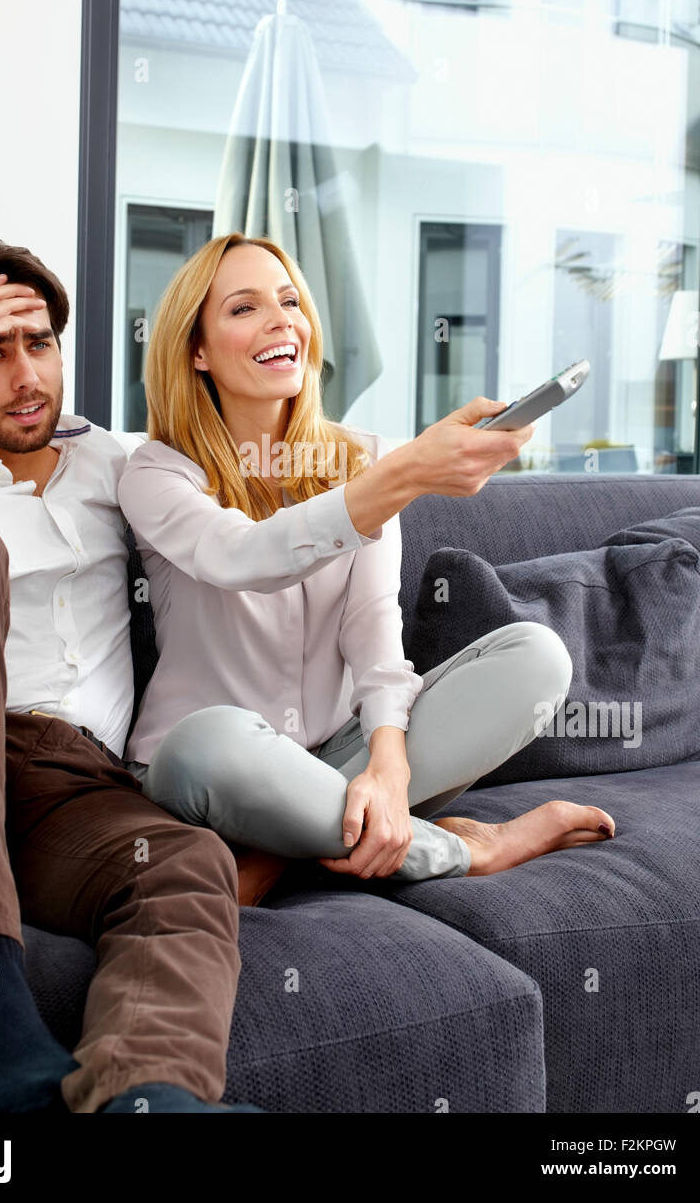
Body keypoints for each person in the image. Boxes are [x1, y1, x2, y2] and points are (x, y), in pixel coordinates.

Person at [0, 233, 261, 1115]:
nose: (26, 375)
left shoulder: (120, 466)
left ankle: (152, 1095)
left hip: (65, 788)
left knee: (185, 859)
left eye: (37, 344)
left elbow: (252, 538)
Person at [117, 232, 616, 905]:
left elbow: (373, 634)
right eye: (243, 308)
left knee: (537, 658)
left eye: (290, 300)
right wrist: (403, 474)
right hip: (210, 769)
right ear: (197, 350)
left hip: (332, 760)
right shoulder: (157, 472)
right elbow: (245, 558)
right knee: (206, 741)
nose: (280, 320)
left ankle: (281, 847)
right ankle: (463, 847)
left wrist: (387, 764)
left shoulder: (365, 460)